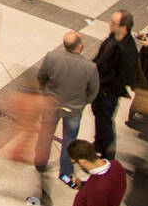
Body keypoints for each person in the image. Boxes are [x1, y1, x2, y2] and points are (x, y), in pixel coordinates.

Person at [34, 32, 100, 192]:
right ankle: (65, 172)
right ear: (79, 46)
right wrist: (83, 102)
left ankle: (40, 164)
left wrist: (46, 92)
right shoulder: (89, 67)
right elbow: (93, 90)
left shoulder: (52, 57)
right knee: (69, 141)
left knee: (45, 134)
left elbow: (41, 76)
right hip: (74, 109)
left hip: (52, 105)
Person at [91, 10, 138, 160]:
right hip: (99, 88)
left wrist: (106, 87)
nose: (110, 24)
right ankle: (98, 143)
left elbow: (126, 77)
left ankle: (108, 156)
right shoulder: (113, 38)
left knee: (105, 124)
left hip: (108, 92)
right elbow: (100, 57)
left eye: (113, 22)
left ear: (124, 27)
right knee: (98, 117)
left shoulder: (127, 50)